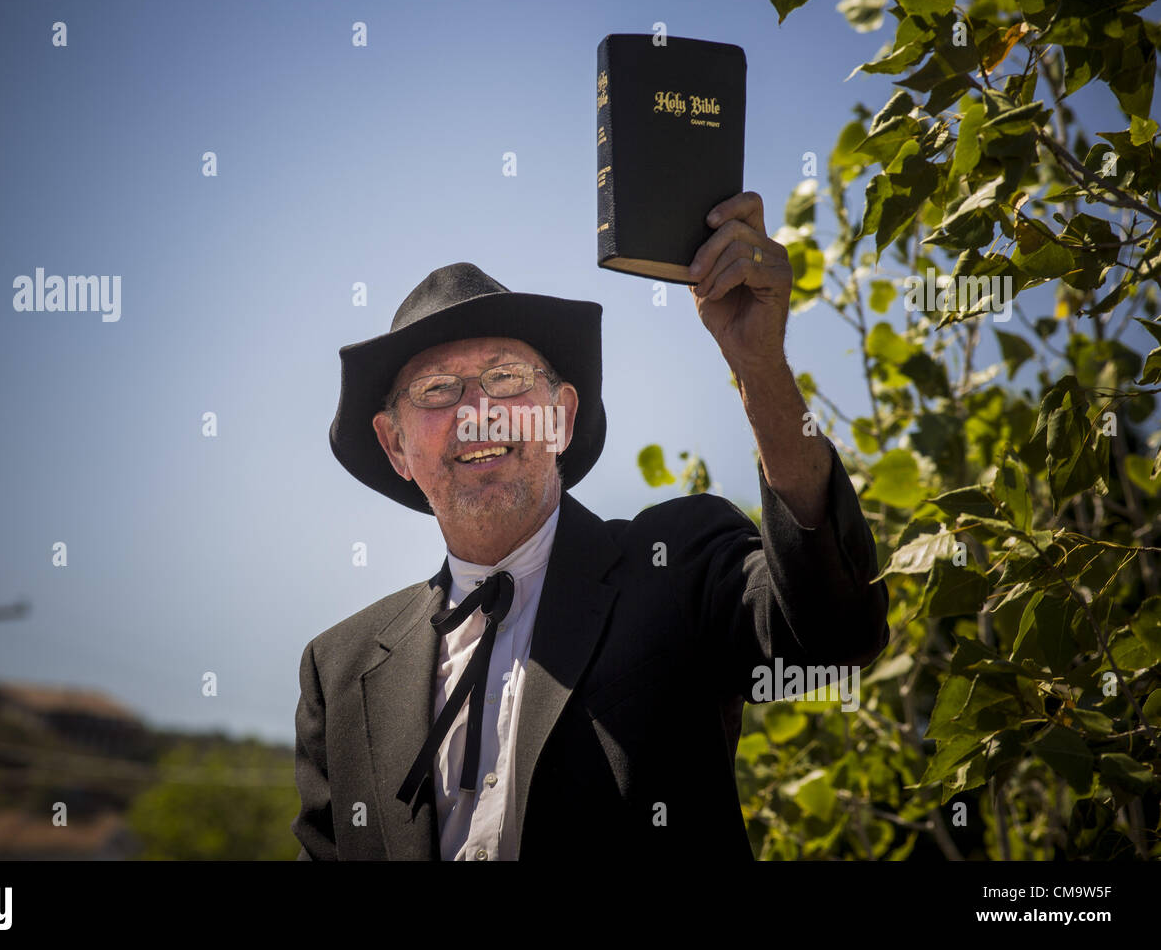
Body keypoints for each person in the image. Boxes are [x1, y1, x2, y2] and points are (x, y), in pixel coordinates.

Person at [293, 191, 889, 861]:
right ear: (396, 445)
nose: (478, 411)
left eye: (506, 378)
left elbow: (837, 636)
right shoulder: (339, 671)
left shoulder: (674, 565)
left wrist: (760, 367)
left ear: (562, 416)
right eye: (437, 390)